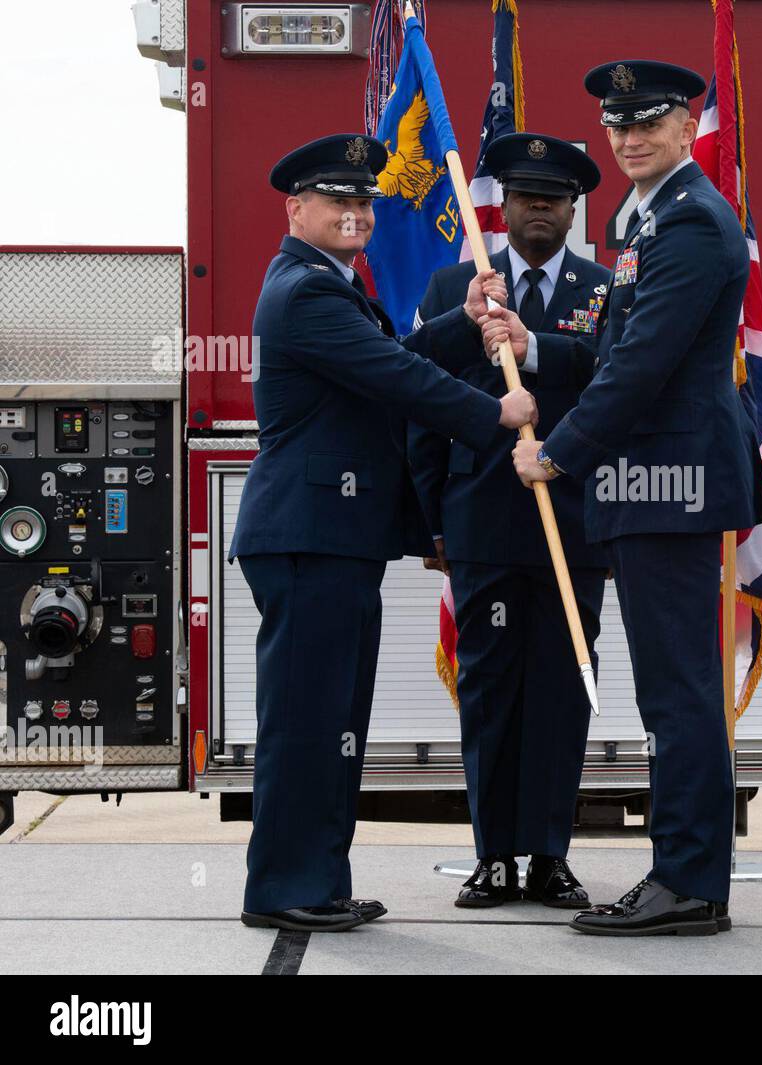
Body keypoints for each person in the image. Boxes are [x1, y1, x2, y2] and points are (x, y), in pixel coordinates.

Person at [230, 133, 536, 933]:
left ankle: (319, 878)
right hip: (310, 533)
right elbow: (394, 376)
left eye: (364, 201)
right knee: (306, 717)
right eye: (338, 200)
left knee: (332, 718)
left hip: (333, 533)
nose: (356, 213)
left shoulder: (324, 284)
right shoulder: (306, 290)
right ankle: (285, 885)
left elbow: (388, 353)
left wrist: (456, 320)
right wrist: (492, 413)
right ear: (296, 209)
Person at [513, 61, 762, 936]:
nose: (627, 137)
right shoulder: (649, 218)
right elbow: (618, 348)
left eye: (647, 121)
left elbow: (643, 366)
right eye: (615, 122)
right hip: (651, 487)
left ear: (688, 120)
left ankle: (690, 881)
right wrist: (536, 347)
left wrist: (560, 452)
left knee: (680, 692)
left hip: (672, 486)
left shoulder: (693, 222)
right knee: (672, 689)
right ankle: (681, 871)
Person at [404, 133, 609, 908]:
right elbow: (423, 404)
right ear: (504, 206)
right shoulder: (459, 285)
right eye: (525, 196)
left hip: (574, 526)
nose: (538, 210)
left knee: (561, 689)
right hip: (482, 519)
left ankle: (549, 855)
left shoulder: (600, 291)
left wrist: (542, 346)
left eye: (553, 199)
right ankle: (493, 857)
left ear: (572, 210)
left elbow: (614, 386)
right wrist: (432, 525)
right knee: (490, 689)